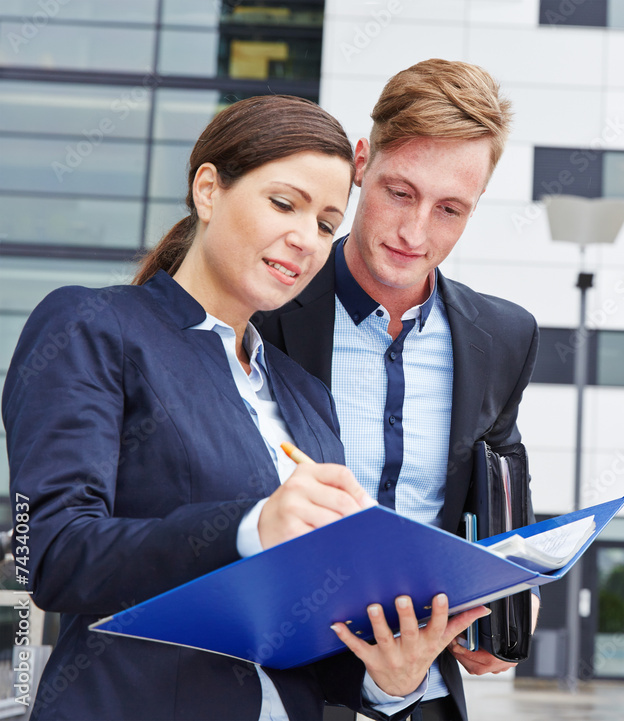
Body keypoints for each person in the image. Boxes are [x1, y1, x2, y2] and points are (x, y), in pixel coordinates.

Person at [2, 94, 486, 721]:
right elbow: (48, 551)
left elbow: (309, 637)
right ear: (209, 191)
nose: (304, 239)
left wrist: (391, 676)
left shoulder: (307, 398)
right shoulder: (94, 327)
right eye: (285, 203)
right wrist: (250, 528)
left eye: (325, 223)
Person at [255, 60, 541, 721]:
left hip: (424, 696)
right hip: (283, 684)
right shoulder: (270, 303)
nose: (415, 234)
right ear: (361, 162)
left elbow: (499, 498)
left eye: (449, 210)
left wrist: (510, 600)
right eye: (400, 192)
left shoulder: (503, 335)